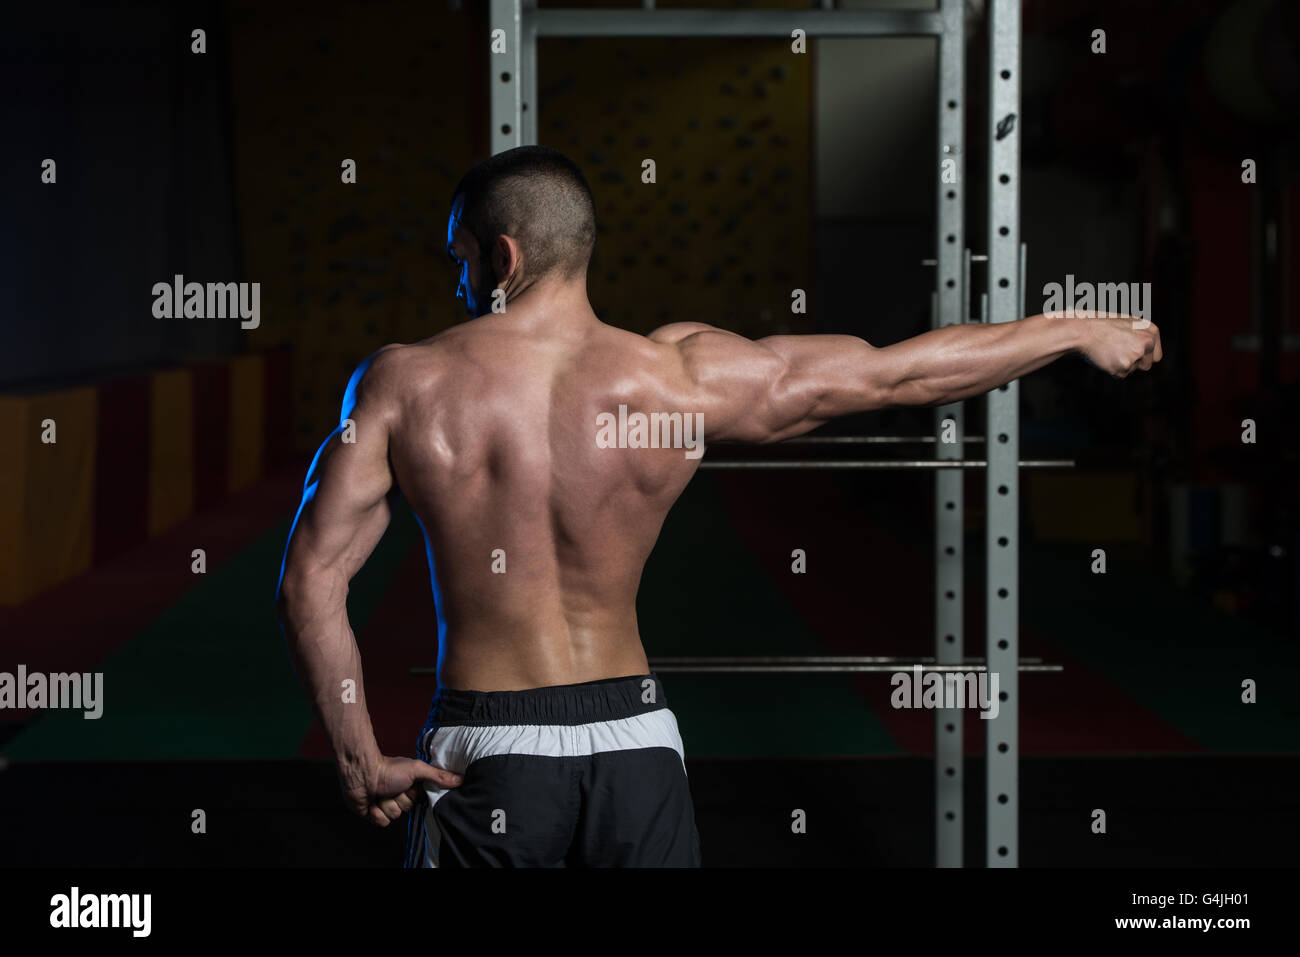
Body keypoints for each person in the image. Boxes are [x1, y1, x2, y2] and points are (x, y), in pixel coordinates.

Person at [274, 145, 1161, 867]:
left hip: (490, 752)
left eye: (460, 257)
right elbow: (899, 371)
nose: (457, 279)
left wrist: (356, 753)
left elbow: (311, 576)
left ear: (501, 255)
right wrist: (1071, 327)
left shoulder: (404, 382)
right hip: (639, 748)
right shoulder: (679, 380)